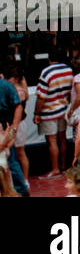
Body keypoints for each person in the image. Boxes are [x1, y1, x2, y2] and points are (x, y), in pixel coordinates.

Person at [34, 50, 74, 176]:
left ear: (49, 59)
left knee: (52, 141)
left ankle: (55, 168)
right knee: (62, 138)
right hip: (63, 108)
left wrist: (36, 113)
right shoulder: (68, 70)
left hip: (49, 110)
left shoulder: (46, 72)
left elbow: (41, 96)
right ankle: (63, 165)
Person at [0, 65, 29, 196]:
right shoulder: (6, 86)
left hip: (4, 128)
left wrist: (14, 128)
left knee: (10, 159)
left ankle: (21, 190)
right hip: (5, 128)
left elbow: (18, 107)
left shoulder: (6, 86)